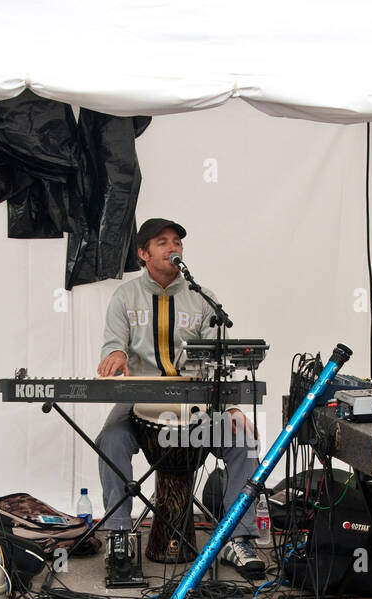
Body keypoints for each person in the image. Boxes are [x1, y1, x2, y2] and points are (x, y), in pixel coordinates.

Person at [96, 217, 265, 578]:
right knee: (109, 440)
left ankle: (238, 537)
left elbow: (218, 359)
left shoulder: (203, 299)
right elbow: (114, 343)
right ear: (143, 253)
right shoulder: (124, 296)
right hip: (139, 401)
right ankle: (121, 533)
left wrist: (231, 407)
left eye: (177, 242)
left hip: (197, 405)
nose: (173, 248)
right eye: (162, 242)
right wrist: (117, 355)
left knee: (245, 438)